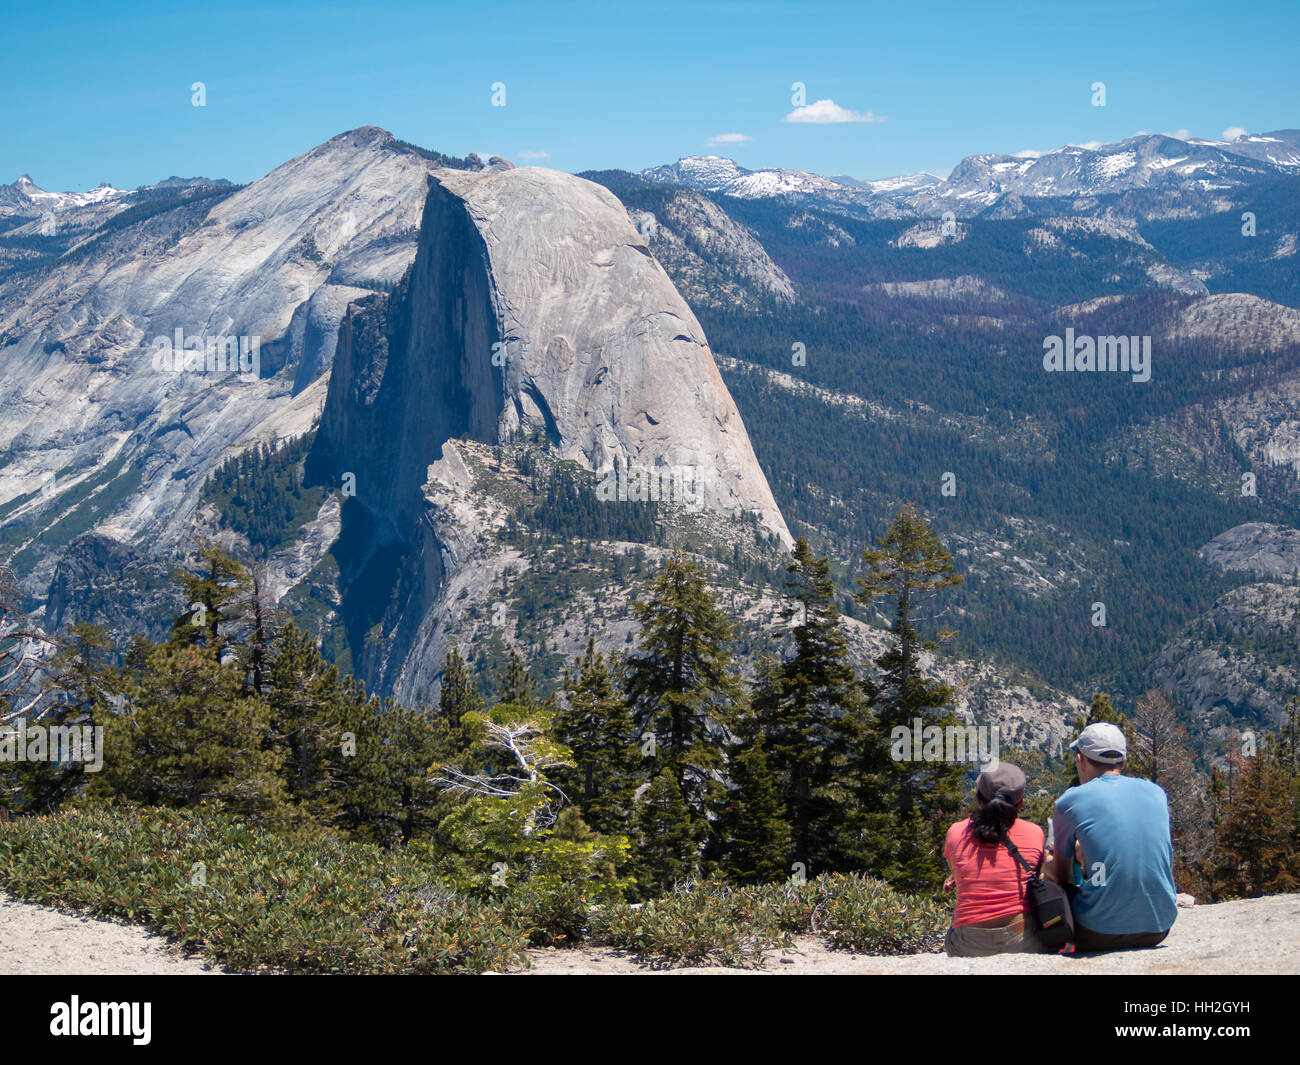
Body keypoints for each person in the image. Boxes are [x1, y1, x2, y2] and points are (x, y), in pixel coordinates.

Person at [1048, 722, 1178, 952]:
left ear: (1081, 760)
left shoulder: (1069, 801)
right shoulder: (1157, 793)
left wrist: (1044, 863)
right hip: (1158, 927)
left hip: (1097, 933)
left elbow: (1061, 875)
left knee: (1048, 882)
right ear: (1123, 761)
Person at [942, 761, 1049, 957]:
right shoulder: (1035, 833)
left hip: (969, 941)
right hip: (1021, 937)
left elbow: (960, 872)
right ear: (1021, 804)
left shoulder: (955, 833)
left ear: (977, 798)